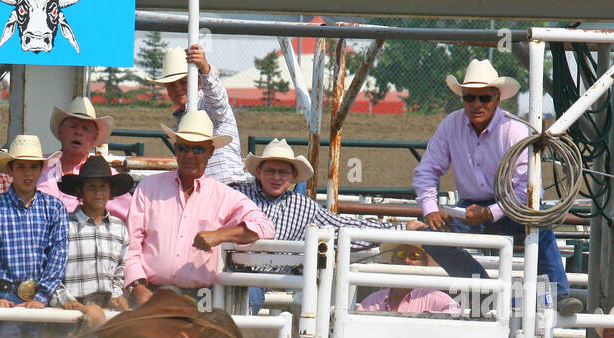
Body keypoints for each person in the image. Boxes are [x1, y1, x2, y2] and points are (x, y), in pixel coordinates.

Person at [412, 59, 583, 316]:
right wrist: (430, 210)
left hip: (511, 207)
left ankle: (558, 293)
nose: (476, 104)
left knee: (538, 222)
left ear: (496, 98)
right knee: (434, 239)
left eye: (483, 98)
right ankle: (482, 291)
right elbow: (427, 169)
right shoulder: (451, 125)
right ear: (463, 99)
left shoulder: (514, 129)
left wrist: (490, 212)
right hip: (471, 207)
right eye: (470, 98)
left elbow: (526, 187)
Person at [235, 140, 409, 312]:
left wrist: (403, 229)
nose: (276, 177)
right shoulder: (238, 194)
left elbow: (345, 228)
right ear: (259, 172)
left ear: (293, 176)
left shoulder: (303, 206)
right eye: (270, 171)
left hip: (257, 282)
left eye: (283, 172)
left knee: (248, 296)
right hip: (229, 270)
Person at [124, 112, 275, 307]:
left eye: (197, 150)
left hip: (199, 298)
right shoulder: (148, 188)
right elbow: (131, 243)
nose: (189, 155)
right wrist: (137, 286)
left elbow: (265, 227)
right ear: (176, 149)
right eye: (184, 148)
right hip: (150, 293)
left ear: (210, 152)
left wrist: (220, 234)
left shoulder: (224, 196)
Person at [0, 134, 69, 338]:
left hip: (38, 297)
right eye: (22, 167)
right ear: (10, 170)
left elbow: (58, 255)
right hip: (4, 296)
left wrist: (42, 295)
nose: (28, 173)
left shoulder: (54, 208)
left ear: (40, 170)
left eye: (34, 167)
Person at [149, 45, 244, 186]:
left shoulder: (207, 103)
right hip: (210, 189)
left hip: (227, 186)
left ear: (199, 82)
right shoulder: (184, 117)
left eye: (183, 82)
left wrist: (205, 69)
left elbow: (217, 100)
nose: (177, 89)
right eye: (171, 85)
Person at [51, 154, 132, 318]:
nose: (98, 192)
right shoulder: (65, 225)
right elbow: (51, 269)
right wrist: (66, 299)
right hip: (70, 309)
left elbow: (119, 272)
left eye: (103, 187)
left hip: (106, 310)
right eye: (91, 187)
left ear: (111, 191)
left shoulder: (119, 228)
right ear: (80, 190)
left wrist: (116, 297)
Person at [35, 96, 130, 222]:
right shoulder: (38, 166)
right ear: (60, 131)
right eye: (72, 126)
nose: (78, 132)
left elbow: (131, 217)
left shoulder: (108, 175)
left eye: (85, 128)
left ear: (94, 137)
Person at [354, 243, 462, 315]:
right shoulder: (371, 301)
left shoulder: (441, 302)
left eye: (414, 256)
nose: (406, 260)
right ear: (392, 261)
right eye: (401, 254)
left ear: (425, 264)